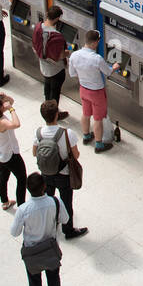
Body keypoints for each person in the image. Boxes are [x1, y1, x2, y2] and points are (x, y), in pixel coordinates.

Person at [11, 172, 70, 286]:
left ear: (28, 189)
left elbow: (15, 232)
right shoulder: (54, 202)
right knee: (54, 278)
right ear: (44, 186)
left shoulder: (23, 209)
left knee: (34, 281)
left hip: (32, 252)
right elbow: (65, 218)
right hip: (50, 248)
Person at [33, 100, 87, 239]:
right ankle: (68, 230)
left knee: (48, 200)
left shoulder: (38, 133)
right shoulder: (67, 133)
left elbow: (34, 153)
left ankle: (50, 225)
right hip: (64, 175)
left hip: (46, 174)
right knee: (66, 202)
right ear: (57, 115)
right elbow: (76, 155)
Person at [68, 30, 121, 151]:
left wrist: (84, 76)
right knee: (98, 118)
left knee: (86, 114)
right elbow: (107, 72)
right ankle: (99, 144)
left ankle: (86, 136)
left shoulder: (74, 55)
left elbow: (72, 74)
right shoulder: (97, 59)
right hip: (97, 92)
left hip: (83, 89)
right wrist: (114, 67)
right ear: (95, 43)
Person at [0, 92, 26, 210]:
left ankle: (4, 201)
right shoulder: (2, 122)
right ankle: (22, 206)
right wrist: (11, 109)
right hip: (11, 154)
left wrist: (6, 97)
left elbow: (11, 101)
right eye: (3, 103)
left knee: (3, 177)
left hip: (0, 153)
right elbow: (16, 124)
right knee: (22, 178)